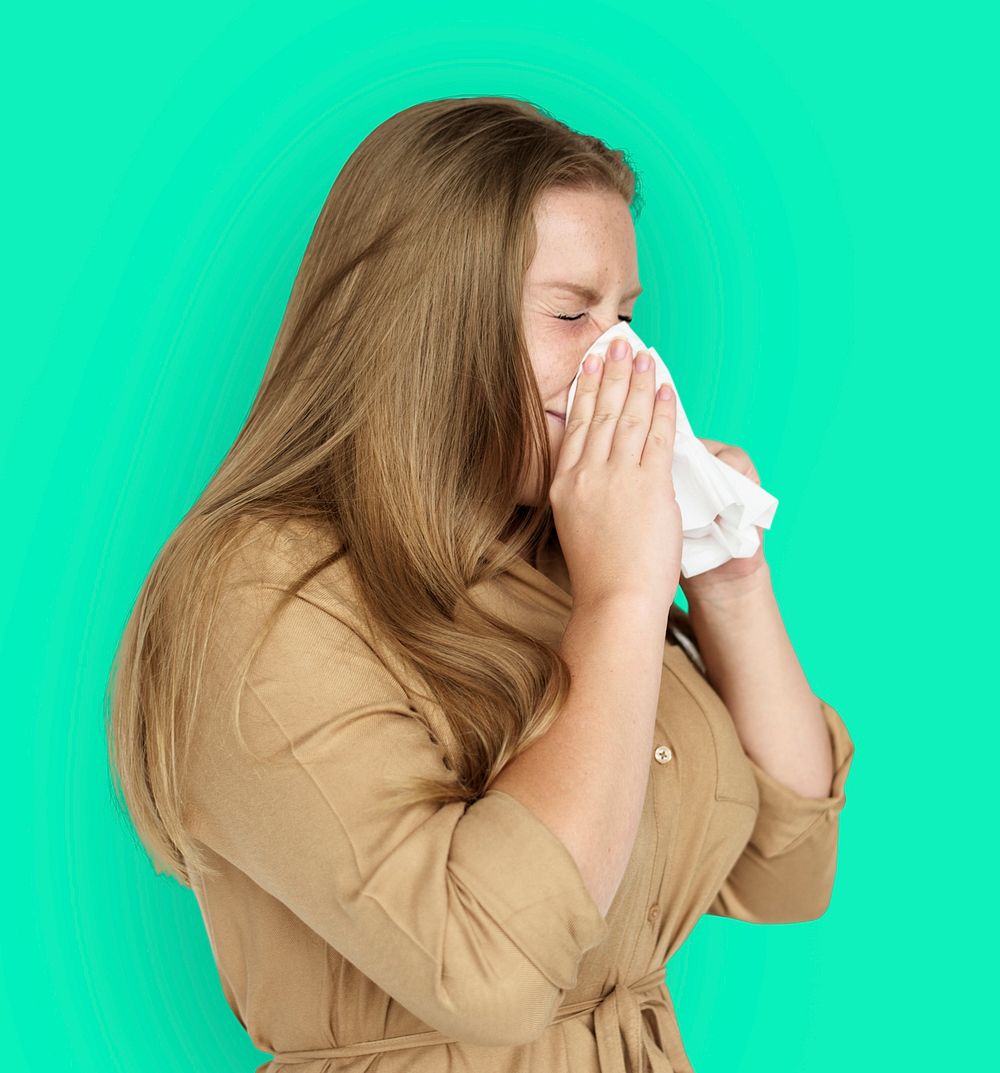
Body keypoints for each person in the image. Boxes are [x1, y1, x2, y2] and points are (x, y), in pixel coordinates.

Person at [106, 96, 855, 1073]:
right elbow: (490, 972)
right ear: (425, 320)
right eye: (569, 312)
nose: (625, 363)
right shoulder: (255, 596)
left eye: (625, 315)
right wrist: (624, 601)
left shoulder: (553, 555)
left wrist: (728, 580)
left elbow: (786, 870)